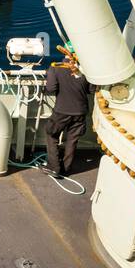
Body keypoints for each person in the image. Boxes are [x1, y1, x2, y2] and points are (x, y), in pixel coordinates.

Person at [43, 43, 95, 177]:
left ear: (65, 52)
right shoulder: (86, 69)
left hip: (62, 111)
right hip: (81, 112)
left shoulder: (56, 68)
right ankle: (66, 169)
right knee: (72, 140)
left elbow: (51, 89)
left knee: (51, 135)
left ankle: (54, 167)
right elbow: (92, 90)